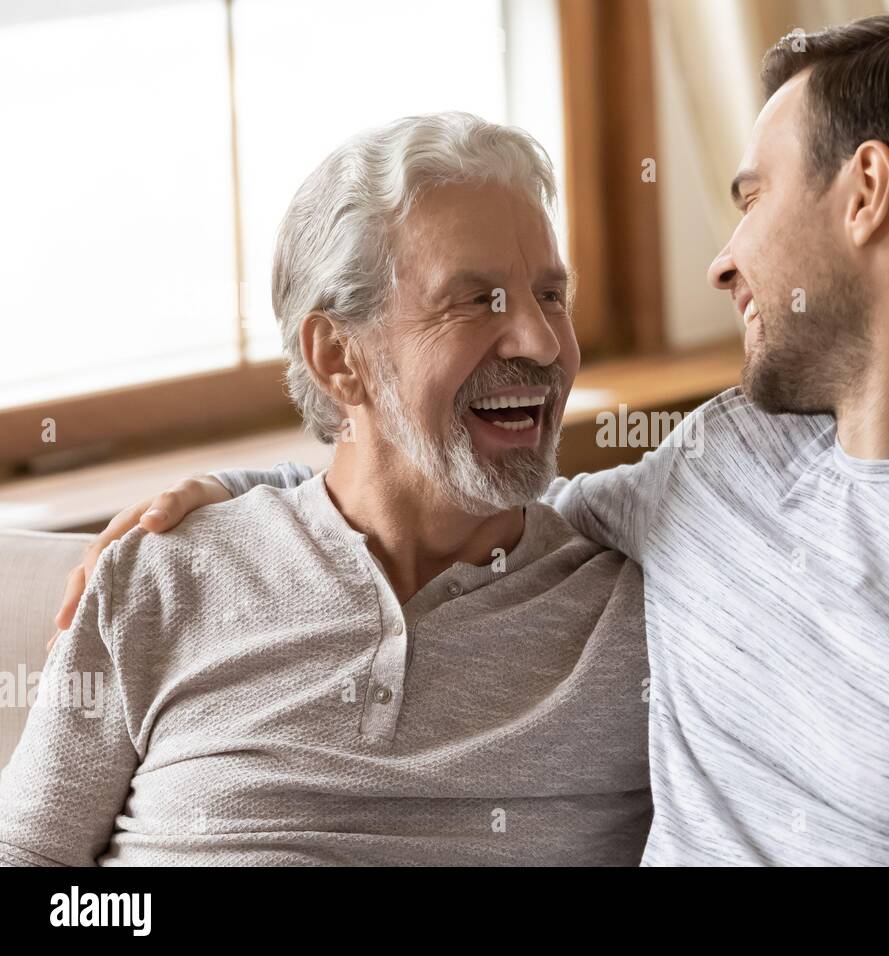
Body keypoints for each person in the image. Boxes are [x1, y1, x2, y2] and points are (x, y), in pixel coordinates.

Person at [50, 16, 889, 865]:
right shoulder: (729, 459)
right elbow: (458, 497)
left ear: (864, 194)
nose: (721, 256)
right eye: (480, 295)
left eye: (751, 194)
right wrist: (234, 494)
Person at [1, 114, 651, 866]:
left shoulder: (635, 614)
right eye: (478, 301)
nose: (542, 343)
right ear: (339, 357)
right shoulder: (162, 576)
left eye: (551, 296)